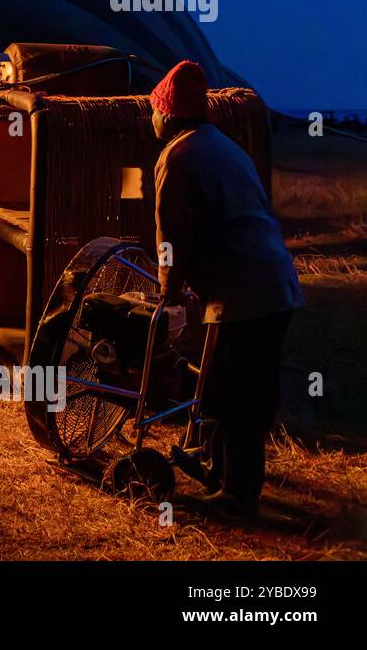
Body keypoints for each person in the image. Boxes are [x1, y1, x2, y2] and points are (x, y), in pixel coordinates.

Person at [151, 61, 303, 514]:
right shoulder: (224, 147)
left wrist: (168, 289)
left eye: (154, 111)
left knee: (229, 393)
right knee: (242, 390)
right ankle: (227, 476)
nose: (152, 119)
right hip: (273, 285)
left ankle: (236, 495)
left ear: (168, 113)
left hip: (245, 293)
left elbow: (170, 236)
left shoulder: (177, 157)